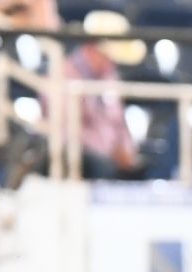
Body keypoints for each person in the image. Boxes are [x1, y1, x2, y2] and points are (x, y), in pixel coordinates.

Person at [67, 11, 143, 180]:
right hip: (82, 160)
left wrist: (126, 150)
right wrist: (108, 152)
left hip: (108, 160)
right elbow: (66, 131)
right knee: (99, 166)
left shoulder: (109, 76)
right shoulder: (64, 75)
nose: (112, 62)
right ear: (93, 47)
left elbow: (119, 123)